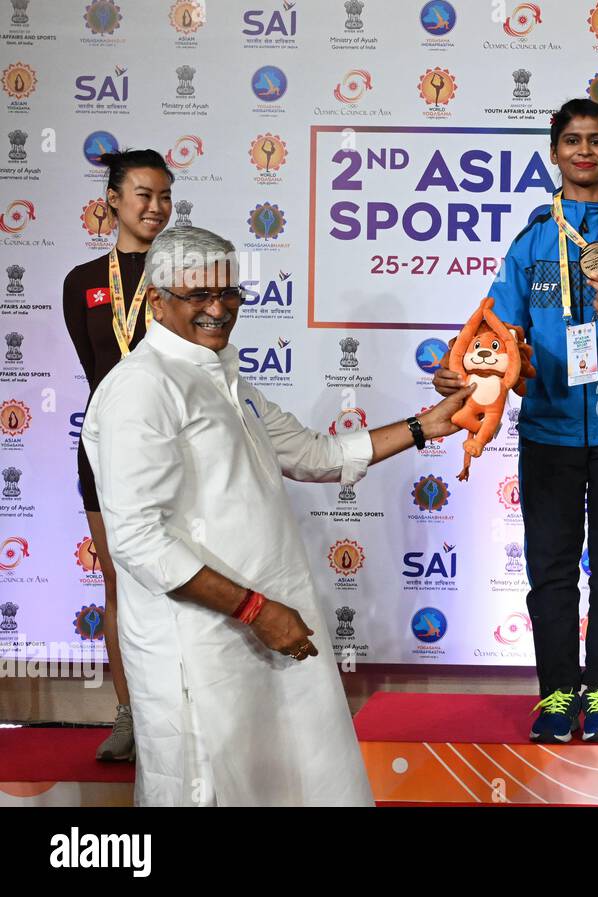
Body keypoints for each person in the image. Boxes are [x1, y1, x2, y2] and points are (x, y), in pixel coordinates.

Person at [82, 226, 474, 806]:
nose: (219, 309)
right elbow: (138, 541)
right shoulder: (141, 390)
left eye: (230, 293)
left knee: (290, 782)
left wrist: (425, 426)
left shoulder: (225, 376)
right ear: (157, 299)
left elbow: (318, 454)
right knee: (206, 788)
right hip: (198, 644)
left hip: (266, 627)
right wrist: (254, 609)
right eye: (199, 296)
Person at [434, 98, 598, 743]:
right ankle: (555, 694)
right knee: (550, 568)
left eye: (597, 140)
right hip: (548, 427)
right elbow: (499, 334)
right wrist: (467, 371)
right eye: (572, 140)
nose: (584, 151)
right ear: (555, 153)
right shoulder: (531, 241)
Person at [61, 149, 174, 762]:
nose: (155, 207)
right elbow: (96, 369)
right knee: (118, 584)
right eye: (143, 195)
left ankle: (177, 716)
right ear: (113, 199)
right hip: (105, 453)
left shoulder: (183, 273)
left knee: (180, 578)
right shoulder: (82, 282)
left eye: (163, 196)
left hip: (176, 452)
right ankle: (129, 717)